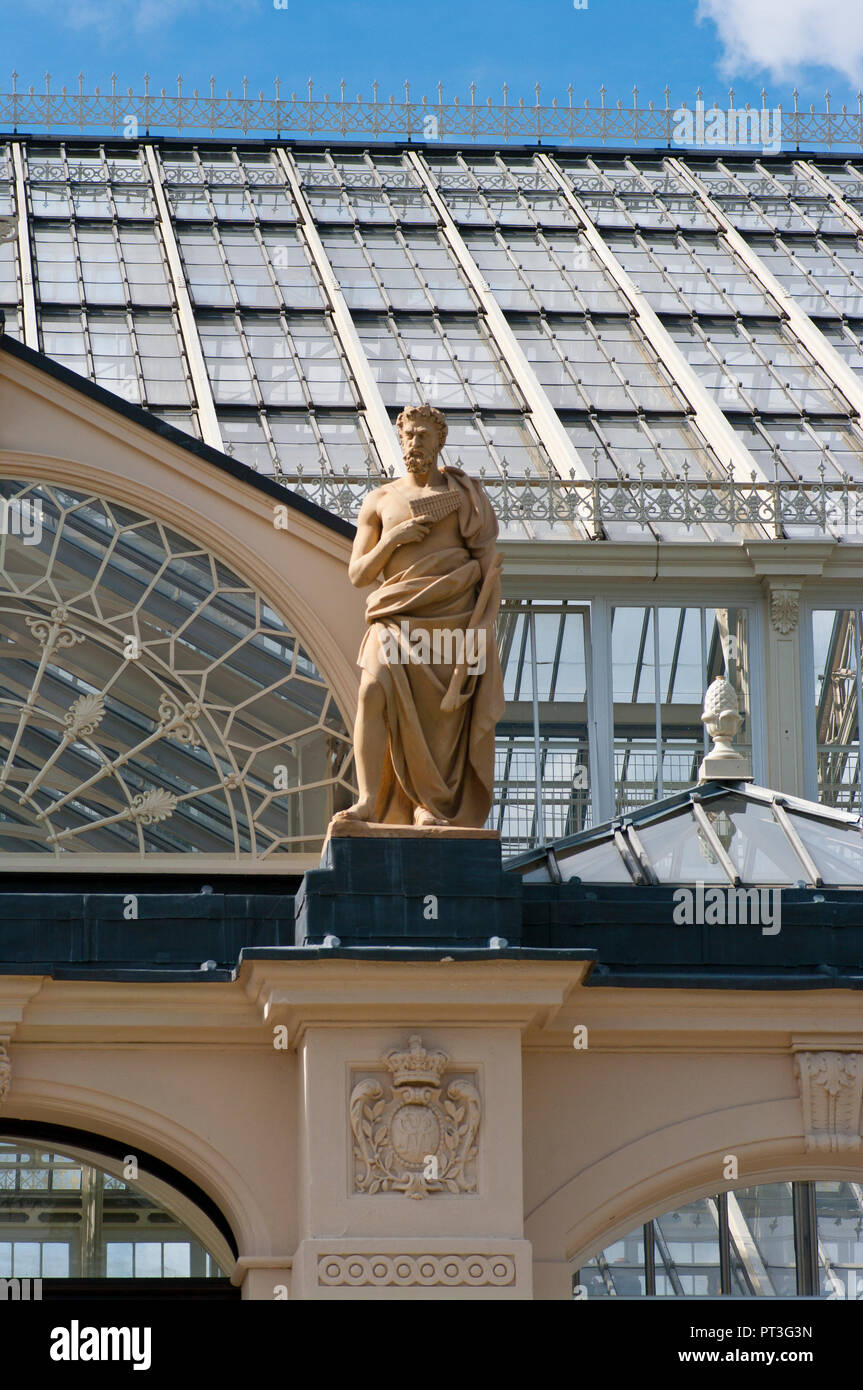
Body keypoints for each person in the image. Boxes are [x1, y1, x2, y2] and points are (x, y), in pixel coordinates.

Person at [334, 403, 503, 828]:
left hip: (452, 619)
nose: (415, 443)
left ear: (439, 441)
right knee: (371, 692)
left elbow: (487, 567)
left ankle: (429, 805)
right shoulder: (381, 499)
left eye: (424, 435)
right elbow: (358, 574)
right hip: (394, 617)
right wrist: (394, 538)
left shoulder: (466, 496)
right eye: (409, 435)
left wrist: (481, 631)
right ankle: (369, 801)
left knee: (440, 721)